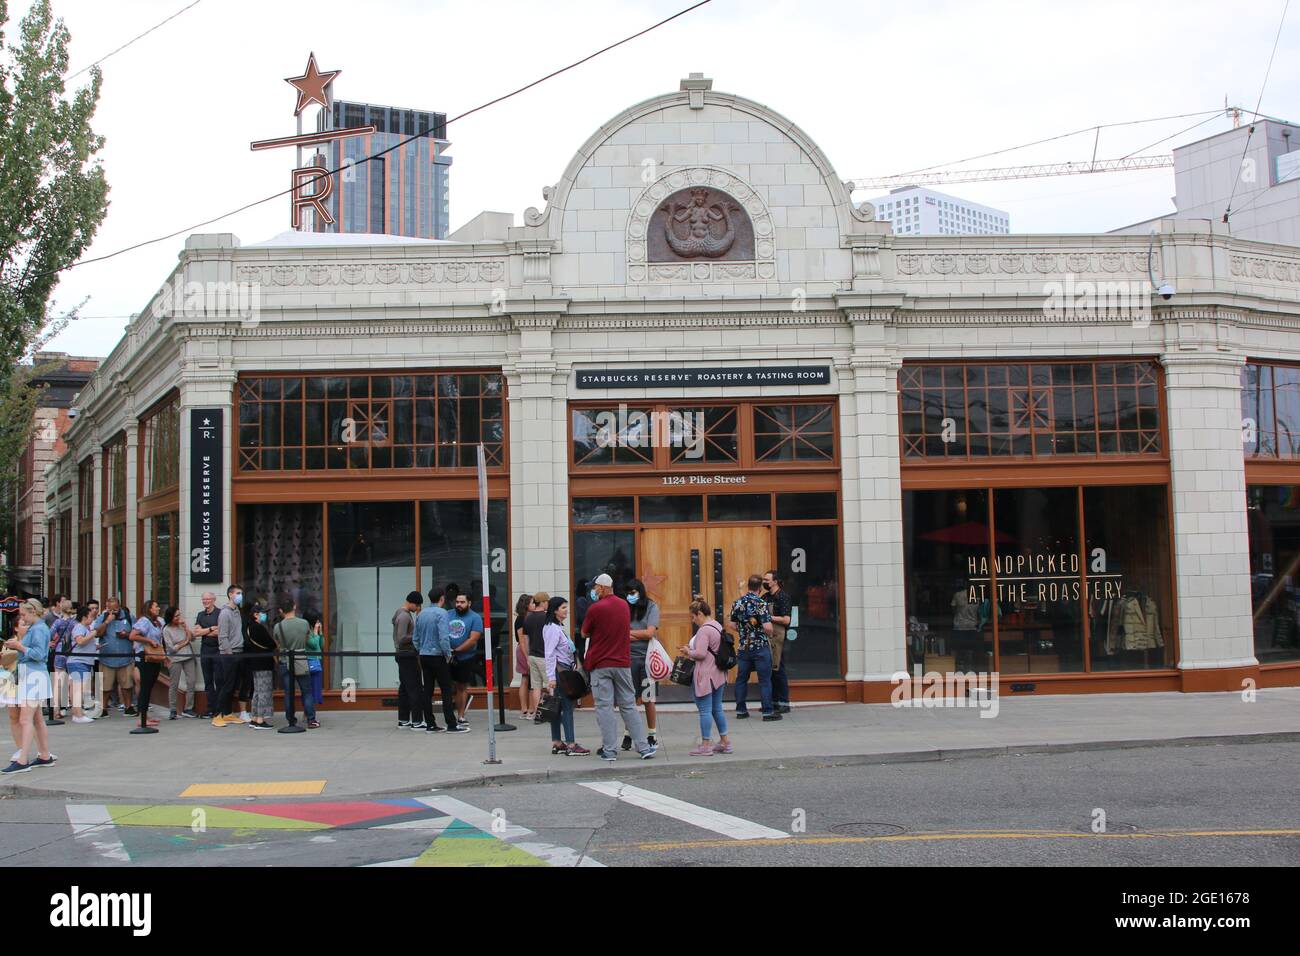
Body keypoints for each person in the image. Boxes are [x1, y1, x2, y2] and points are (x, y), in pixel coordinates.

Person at [580, 573, 655, 762]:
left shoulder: (595, 608)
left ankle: (610, 750)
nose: (594, 591)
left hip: (601, 664)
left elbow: (584, 632)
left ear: (603, 588)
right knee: (629, 705)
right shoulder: (623, 605)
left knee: (605, 707)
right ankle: (644, 747)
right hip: (622, 663)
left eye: (595, 587)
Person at [2, 600, 56, 773]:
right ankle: (44, 755)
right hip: (33, 674)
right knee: (37, 719)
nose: (22, 618)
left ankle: (23, 759)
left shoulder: (39, 629)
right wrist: (19, 646)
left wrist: (19, 646)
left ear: (33, 611)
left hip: (34, 675)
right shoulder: (38, 628)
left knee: (26, 719)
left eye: (24, 614)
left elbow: (39, 655)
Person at [683, 597, 732, 755]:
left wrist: (687, 652)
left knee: (705, 710)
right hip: (719, 673)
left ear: (699, 614)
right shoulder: (717, 625)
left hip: (706, 675)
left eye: (693, 617)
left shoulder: (704, 630)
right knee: (717, 708)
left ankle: (705, 745)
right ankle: (725, 742)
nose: (693, 620)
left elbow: (701, 654)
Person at [542, 596, 590, 756]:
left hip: (562, 671)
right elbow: (549, 654)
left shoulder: (557, 627)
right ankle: (570, 744)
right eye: (563, 607)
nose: (566, 610)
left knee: (556, 707)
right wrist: (551, 678)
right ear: (555, 610)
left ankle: (557, 742)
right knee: (567, 707)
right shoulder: (552, 629)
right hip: (559, 673)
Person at [729, 575, 779, 721]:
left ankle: (741, 711)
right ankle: (767, 712)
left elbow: (731, 625)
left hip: (744, 647)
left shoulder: (737, 603)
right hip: (760, 647)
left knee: (741, 679)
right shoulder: (761, 603)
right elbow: (767, 627)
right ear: (760, 588)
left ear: (748, 586)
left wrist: (745, 631)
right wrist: (768, 633)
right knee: (764, 680)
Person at [413, 586, 458, 733]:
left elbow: (415, 638)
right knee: (446, 689)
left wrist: (421, 650)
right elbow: (444, 637)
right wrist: (448, 654)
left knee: (428, 690)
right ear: (442, 599)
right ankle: (451, 723)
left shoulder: (421, 614)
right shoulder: (442, 613)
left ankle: (430, 723)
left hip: (424, 655)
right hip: (438, 655)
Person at [624, 578, 661, 750]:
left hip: (647, 660)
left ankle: (652, 734)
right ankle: (628, 733)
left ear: (640, 592)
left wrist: (630, 634)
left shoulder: (651, 607)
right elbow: (621, 633)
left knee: (648, 698)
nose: (630, 596)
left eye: (632, 593)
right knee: (629, 700)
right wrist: (641, 634)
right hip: (628, 659)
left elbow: (650, 633)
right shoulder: (625, 608)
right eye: (628, 593)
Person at [274, 599, 317, 729]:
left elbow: (277, 643)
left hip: (284, 660)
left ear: (281, 610)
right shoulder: (303, 623)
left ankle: (291, 719)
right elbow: (307, 639)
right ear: (294, 606)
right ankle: (311, 719)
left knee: (288, 693)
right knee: (307, 691)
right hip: (300, 659)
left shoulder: (278, 626)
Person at [93, 597, 135, 717]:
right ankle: (103, 708)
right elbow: (97, 633)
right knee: (105, 686)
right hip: (107, 658)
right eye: (110, 609)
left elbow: (135, 633)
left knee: (127, 685)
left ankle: (128, 707)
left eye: (115, 609)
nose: (113, 612)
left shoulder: (128, 616)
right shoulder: (102, 617)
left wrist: (126, 635)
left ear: (119, 606)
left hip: (125, 658)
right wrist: (107, 621)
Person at [128, 600, 166, 730]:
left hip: (154, 658)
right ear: (149, 608)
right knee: (144, 686)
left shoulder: (157, 621)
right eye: (156, 606)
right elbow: (132, 636)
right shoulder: (144, 621)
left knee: (149, 687)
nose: (158, 608)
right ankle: (141, 718)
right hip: (144, 657)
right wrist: (149, 640)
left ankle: (146, 716)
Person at [211, 585, 245, 727]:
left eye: (241, 593)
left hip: (238, 651)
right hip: (228, 654)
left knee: (232, 685)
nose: (240, 596)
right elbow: (223, 636)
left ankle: (227, 713)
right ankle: (217, 715)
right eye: (238, 593)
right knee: (226, 685)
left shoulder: (237, 610)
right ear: (230, 594)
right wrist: (229, 653)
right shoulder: (225, 613)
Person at [448, 592, 483, 728]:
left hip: (465, 658)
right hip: (446, 657)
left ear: (469, 603)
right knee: (448, 687)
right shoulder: (448, 614)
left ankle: (461, 716)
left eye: (462, 602)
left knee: (462, 687)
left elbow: (473, 639)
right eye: (457, 602)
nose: (459, 605)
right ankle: (449, 716)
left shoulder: (475, 618)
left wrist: (456, 650)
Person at [762, 570, 793, 714]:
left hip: (778, 637)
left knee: (779, 669)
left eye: (767, 580)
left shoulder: (783, 597)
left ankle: (784, 703)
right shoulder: (765, 596)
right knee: (770, 670)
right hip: (767, 635)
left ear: (775, 581)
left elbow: (786, 620)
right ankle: (773, 702)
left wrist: (768, 617)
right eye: (764, 580)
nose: (765, 582)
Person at [161, 605, 199, 719]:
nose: (179, 617)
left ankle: (188, 708)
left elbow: (192, 638)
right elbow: (172, 648)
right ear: (170, 617)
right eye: (176, 616)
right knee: (174, 684)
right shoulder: (167, 629)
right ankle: (173, 709)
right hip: (175, 659)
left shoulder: (182, 626)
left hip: (188, 656)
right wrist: (185, 642)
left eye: (179, 615)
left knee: (191, 682)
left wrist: (186, 627)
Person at [393, 591, 424, 728]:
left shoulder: (399, 613)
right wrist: (416, 635)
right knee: (414, 687)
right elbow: (401, 638)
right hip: (407, 654)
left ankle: (404, 719)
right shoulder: (405, 616)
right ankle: (417, 721)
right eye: (417, 605)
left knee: (405, 688)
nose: (418, 609)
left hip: (402, 655)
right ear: (411, 603)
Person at [244, 602, 276, 729]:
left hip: (254, 663)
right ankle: (260, 719)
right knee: (264, 691)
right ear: (256, 615)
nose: (264, 616)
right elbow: (271, 644)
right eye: (263, 613)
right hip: (263, 663)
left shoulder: (248, 627)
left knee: (257, 691)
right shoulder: (258, 628)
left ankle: (254, 717)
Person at [66, 605, 98, 723]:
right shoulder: (80, 627)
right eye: (91, 616)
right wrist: (92, 634)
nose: (92, 619)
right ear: (84, 617)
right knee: (78, 689)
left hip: (81, 661)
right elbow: (80, 641)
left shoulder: (84, 628)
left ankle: (77, 713)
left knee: (77, 688)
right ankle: (78, 715)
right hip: (78, 661)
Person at [194, 592, 221, 717]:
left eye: (208, 599)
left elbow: (220, 632)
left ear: (213, 600)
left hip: (218, 650)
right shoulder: (200, 615)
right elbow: (196, 633)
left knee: (219, 679)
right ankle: (211, 708)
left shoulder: (220, 613)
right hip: (205, 650)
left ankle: (220, 709)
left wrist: (204, 631)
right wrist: (210, 629)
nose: (206, 601)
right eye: (203, 599)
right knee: (208, 680)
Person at [523, 591, 549, 720]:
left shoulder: (528, 617)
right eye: (547, 602)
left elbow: (526, 638)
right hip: (544, 656)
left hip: (532, 655)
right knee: (551, 685)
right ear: (543, 602)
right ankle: (551, 711)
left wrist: (528, 655)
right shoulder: (546, 617)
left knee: (536, 686)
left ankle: (537, 713)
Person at [50, 598, 74, 718]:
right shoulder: (75, 622)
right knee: (71, 681)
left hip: (59, 650)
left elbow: (50, 634)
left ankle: (56, 709)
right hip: (72, 651)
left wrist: (52, 641)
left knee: (58, 682)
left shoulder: (58, 622)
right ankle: (71, 707)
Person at [512, 594, 533, 719]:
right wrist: (527, 656)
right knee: (527, 679)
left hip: (527, 649)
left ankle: (527, 708)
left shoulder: (529, 617)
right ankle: (526, 709)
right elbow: (522, 639)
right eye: (532, 603)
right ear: (526, 605)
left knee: (527, 679)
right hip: (525, 649)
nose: (534, 605)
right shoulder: (521, 619)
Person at [306, 617, 325, 706]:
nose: (318, 623)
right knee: (310, 689)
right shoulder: (307, 632)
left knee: (316, 689)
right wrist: (316, 631)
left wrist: (320, 633)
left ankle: (310, 712)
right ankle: (308, 712)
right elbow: (313, 644)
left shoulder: (315, 632)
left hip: (317, 661)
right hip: (309, 661)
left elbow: (322, 644)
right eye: (317, 622)